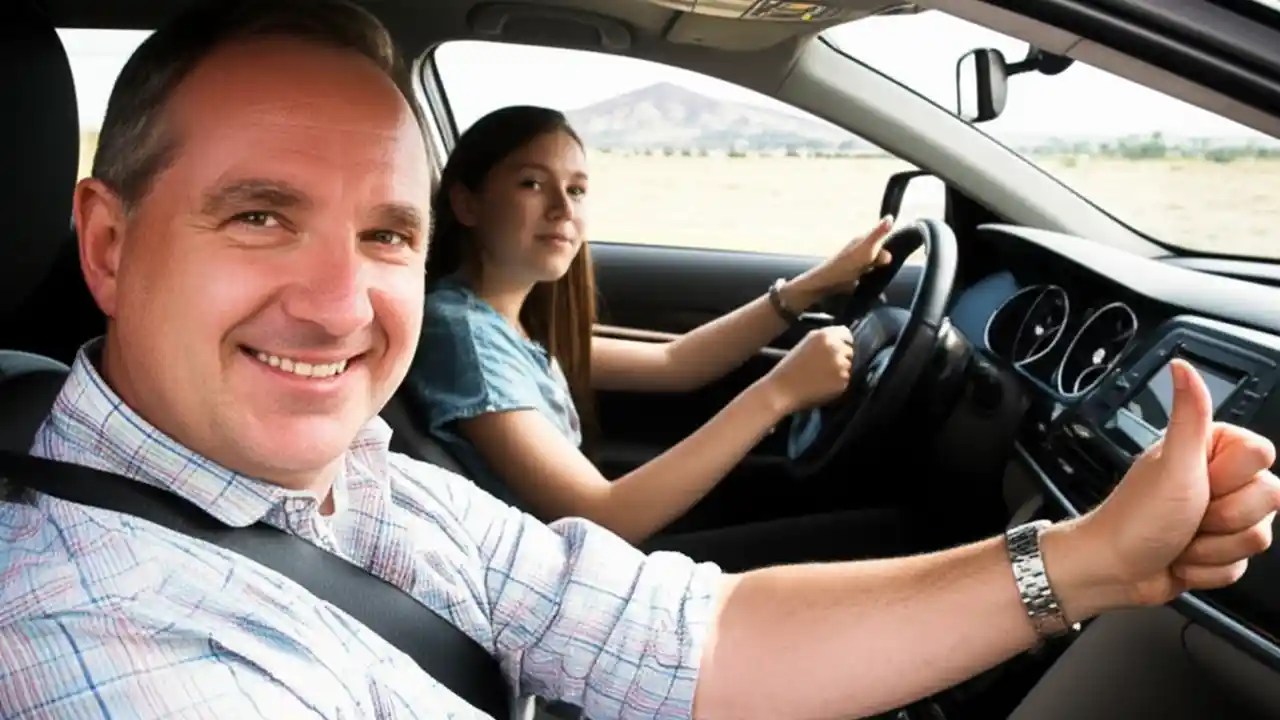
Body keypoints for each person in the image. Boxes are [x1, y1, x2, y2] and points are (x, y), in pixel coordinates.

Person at [1, 1, 1277, 719]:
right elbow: (610, 517)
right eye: (260, 215)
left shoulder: (359, 475)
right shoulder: (103, 649)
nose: (341, 305)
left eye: (385, 233)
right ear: (108, 247)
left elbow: (676, 631)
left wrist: (1085, 560)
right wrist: (782, 385)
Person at [404, 104, 905, 559]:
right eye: (532, 184)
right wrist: (779, 393)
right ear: (467, 204)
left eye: (576, 190)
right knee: (886, 538)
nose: (563, 208)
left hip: (583, 565)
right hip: (571, 584)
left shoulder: (504, 324)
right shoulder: (464, 336)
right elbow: (602, 516)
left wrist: (811, 287)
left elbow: (678, 364)